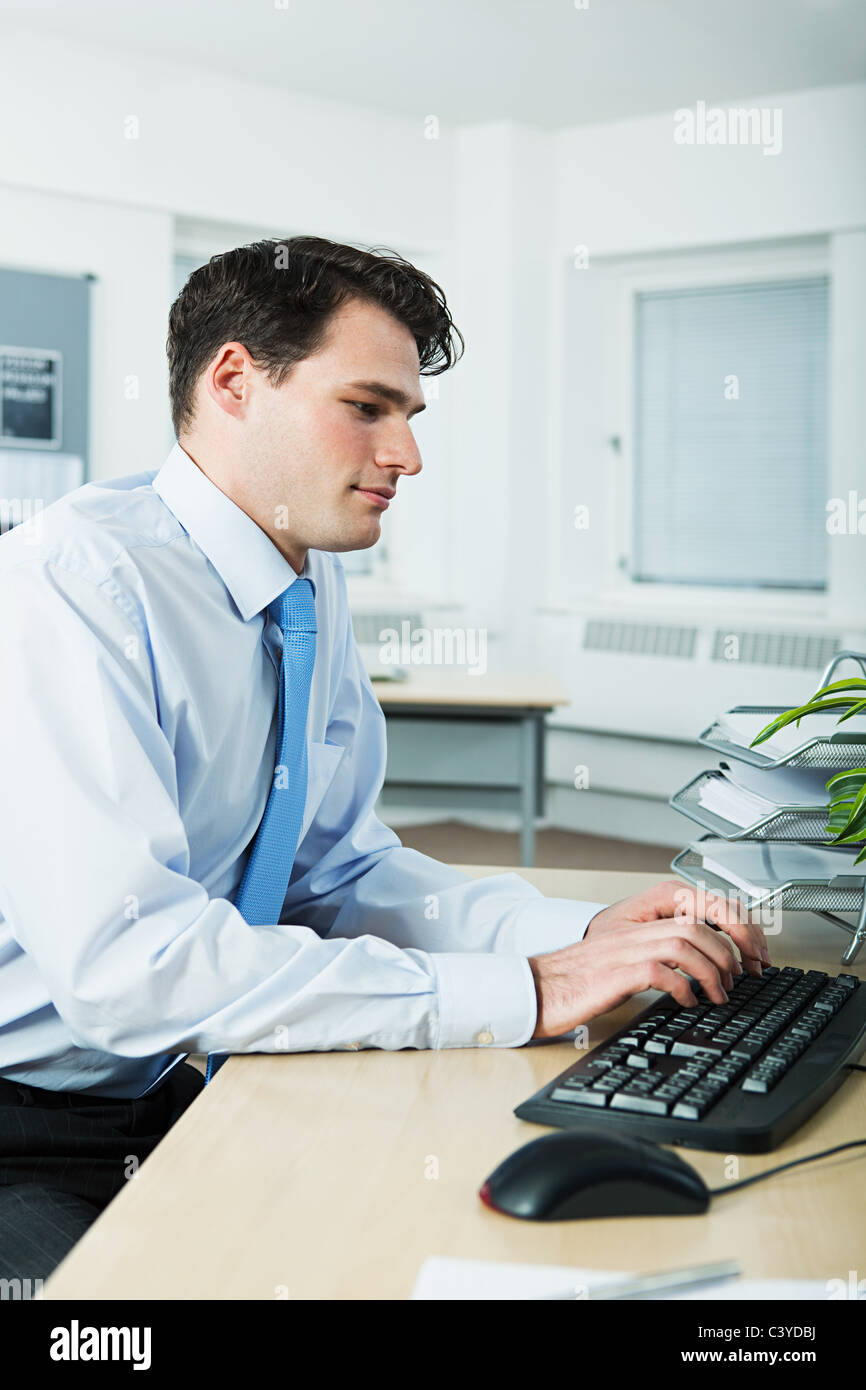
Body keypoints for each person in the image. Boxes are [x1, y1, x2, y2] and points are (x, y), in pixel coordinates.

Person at [0, 236, 769, 1285]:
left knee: (381, 1244)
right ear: (233, 380)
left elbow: (334, 874)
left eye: (408, 416)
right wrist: (523, 987)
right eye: (366, 407)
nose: (406, 454)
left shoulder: (304, 578)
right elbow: (134, 970)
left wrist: (577, 933)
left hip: (150, 1080)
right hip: (23, 1119)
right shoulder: (71, 585)